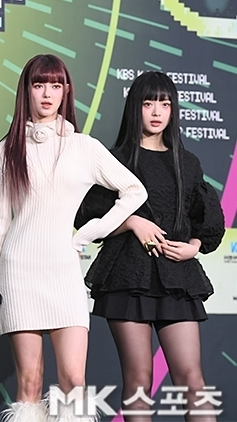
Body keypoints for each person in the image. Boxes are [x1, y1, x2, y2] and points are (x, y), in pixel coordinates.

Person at [0, 54, 148, 422]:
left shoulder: (84, 147)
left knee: (74, 380)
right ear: (26, 90)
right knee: (29, 383)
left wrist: (91, 231)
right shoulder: (7, 150)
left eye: (55, 85)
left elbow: (134, 190)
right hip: (18, 272)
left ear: (66, 91)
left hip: (64, 271)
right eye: (39, 84)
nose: (47, 93)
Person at [75, 71, 225, 421]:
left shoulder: (186, 162)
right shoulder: (114, 159)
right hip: (128, 276)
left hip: (177, 277)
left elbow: (207, 219)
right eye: (148, 103)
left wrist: (194, 247)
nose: (157, 112)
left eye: (165, 104)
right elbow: (88, 217)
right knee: (139, 380)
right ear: (135, 107)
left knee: (192, 379)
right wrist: (131, 222)